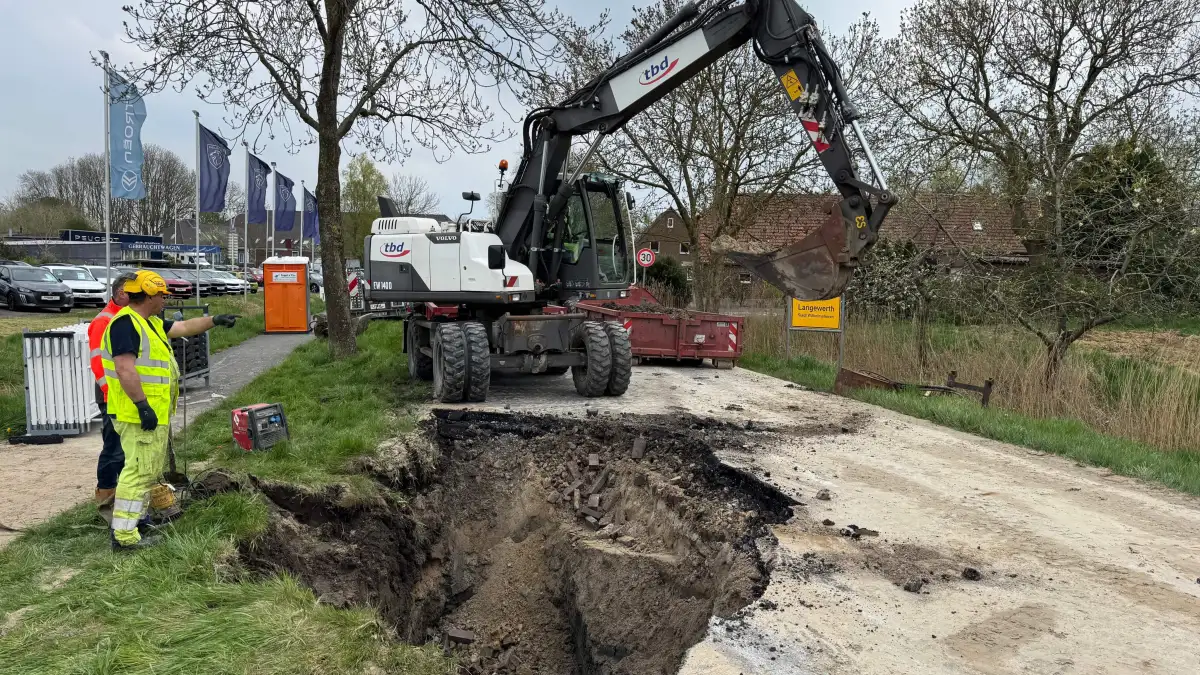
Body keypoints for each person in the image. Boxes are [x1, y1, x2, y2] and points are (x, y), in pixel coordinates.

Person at [100, 270, 239, 551]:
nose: (165, 300)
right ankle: (124, 537)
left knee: (147, 470)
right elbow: (125, 369)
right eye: (162, 295)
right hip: (136, 413)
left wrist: (214, 320)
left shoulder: (148, 322)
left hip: (149, 412)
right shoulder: (125, 325)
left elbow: (184, 328)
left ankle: (135, 522)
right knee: (137, 472)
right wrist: (142, 407)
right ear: (149, 296)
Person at [87, 270, 139, 524]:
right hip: (112, 396)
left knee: (126, 448)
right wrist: (112, 396)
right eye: (135, 292)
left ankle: (121, 496)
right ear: (121, 294)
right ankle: (106, 498)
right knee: (114, 448)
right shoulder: (104, 321)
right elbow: (99, 364)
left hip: (125, 394)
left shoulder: (128, 317)